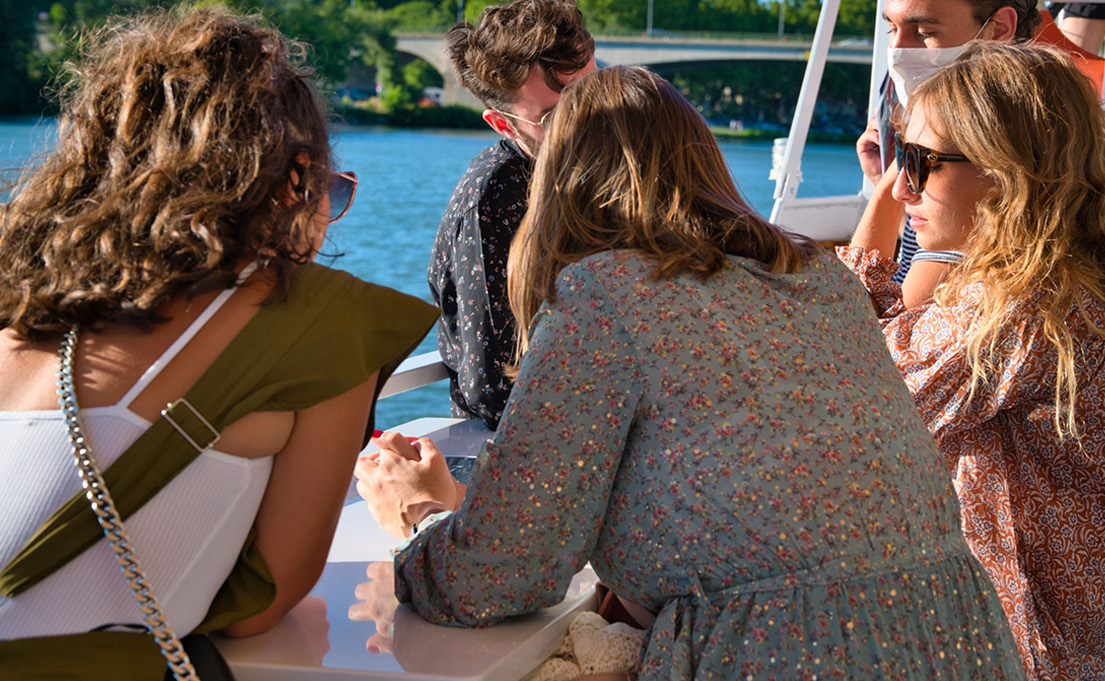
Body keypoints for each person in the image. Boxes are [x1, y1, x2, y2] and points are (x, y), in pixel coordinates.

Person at [355, 66, 1027, 681]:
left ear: (560, 185)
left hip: (786, 656)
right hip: (961, 637)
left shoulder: (607, 293)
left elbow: (498, 575)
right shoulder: (819, 279)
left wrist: (417, 518)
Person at [0, 6, 437, 674]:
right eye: (327, 186)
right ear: (294, 178)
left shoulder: (23, 296)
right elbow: (259, 605)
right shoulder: (320, 319)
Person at [839, 41, 1105, 681]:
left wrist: (875, 216)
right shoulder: (1090, 291)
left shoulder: (1012, 314)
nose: (904, 185)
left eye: (922, 162)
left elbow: (844, 403)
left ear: (1005, 171)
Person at [429, 0, 596, 428]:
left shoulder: (608, 162)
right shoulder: (494, 195)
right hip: (523, 445)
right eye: (557, 114)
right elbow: (491, 386)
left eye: (593, 94)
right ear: (503, 124)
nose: (589, 121)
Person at [855, 0, 1040, 298]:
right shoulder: (896, 92)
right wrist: (901, 175)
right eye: (892, 28)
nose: (897, 52)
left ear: (999, 28)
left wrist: (895, 178)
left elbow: (853, 319)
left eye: (924, 32)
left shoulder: (1004, 128)